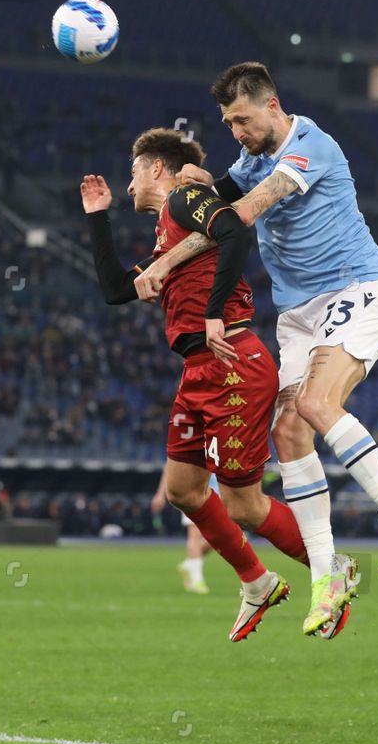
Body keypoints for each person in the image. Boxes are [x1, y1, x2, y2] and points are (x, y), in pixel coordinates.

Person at [141, 62, 378, 633]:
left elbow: (243, 214)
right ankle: (327, 579)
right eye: (228, 124)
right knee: (288, 428)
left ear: (272, 106)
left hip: (356, 287)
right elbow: (211, 209)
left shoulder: (310, 145)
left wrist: (171, 249)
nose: (237, 133)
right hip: (298, 315)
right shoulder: (248, 160)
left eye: (242, 120)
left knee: (319, 405)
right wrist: (182, 201)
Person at [81, 126, 352, 642]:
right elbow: (118, 290)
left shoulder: (186, 198)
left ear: (157, 167)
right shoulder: (170, 230)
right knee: (184, 490)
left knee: (243, 505)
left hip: (232, 361)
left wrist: (211, 313)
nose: (129, 182)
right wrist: (98, 216)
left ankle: (332, 566)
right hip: (198, 369)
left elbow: (235, 231)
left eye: (133, 170)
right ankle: (257, 581)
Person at [152, 469, 214, 594]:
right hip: (193, 492)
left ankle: (189, 564)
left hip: (218, 493)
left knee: (220, 537)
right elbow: (170, 467)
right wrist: (160, 494)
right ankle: (197, 579)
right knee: (194, 534)